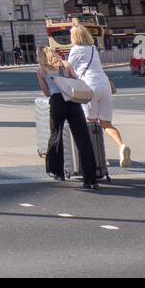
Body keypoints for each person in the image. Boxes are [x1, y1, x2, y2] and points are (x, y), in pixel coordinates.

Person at [67, 24, 130, 168]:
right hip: (105, 85)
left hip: (90, 86)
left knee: (90, 123)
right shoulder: (93, 49)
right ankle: (121, 146)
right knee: (106, 123)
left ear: (74, 37)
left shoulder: (75, 50)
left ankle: (98, 156)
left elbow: (69, 69)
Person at [38, 45, 99, 188]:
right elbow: (76, 80)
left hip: (57, 101)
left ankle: (57, 170)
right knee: (83, 139)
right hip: (73, 101)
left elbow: (46, 93)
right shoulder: (65, 64)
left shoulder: (41, 70)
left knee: (56, 135)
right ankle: (90, 178)